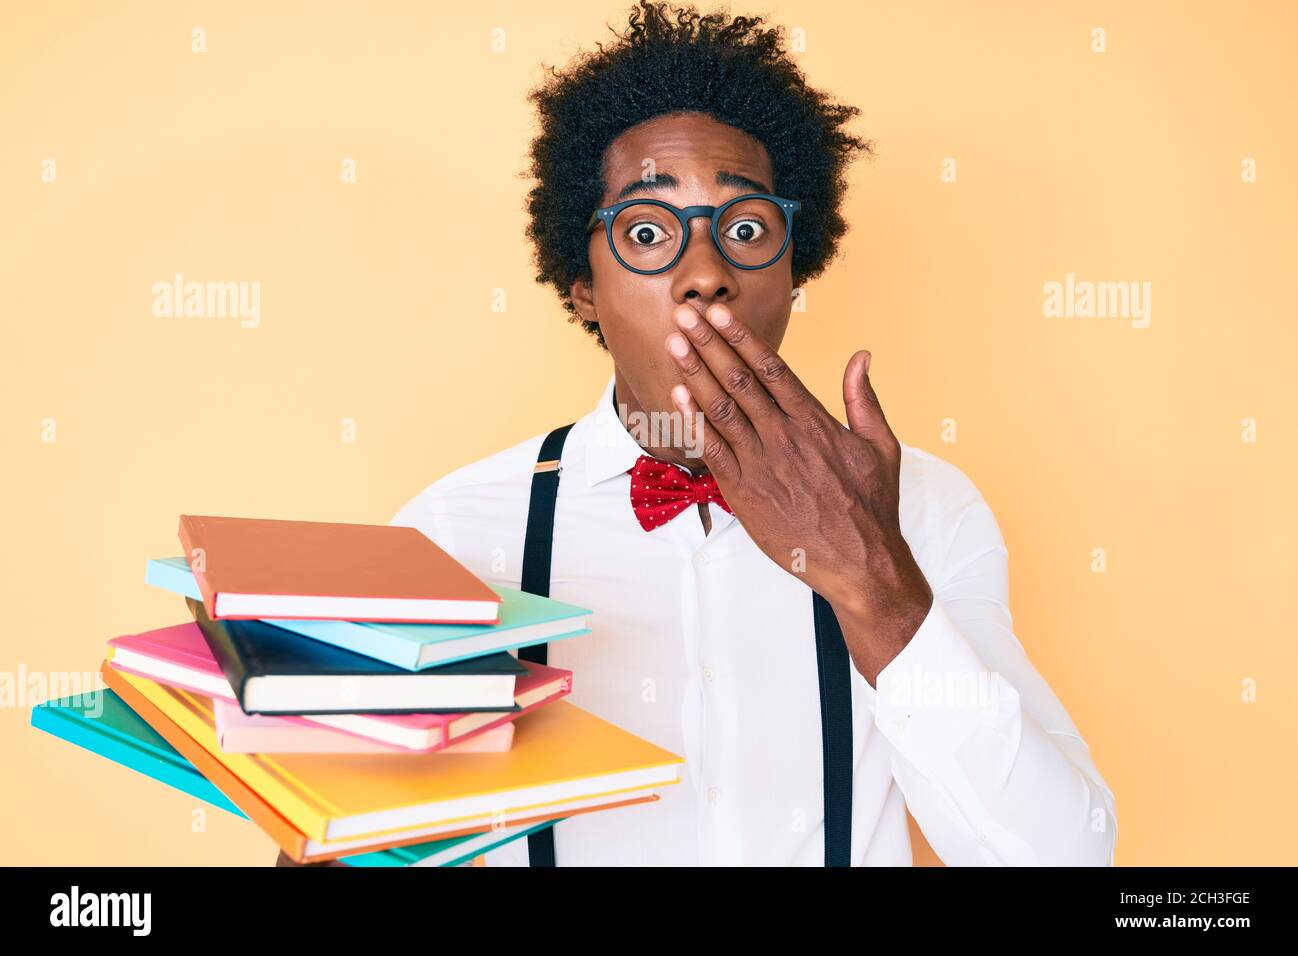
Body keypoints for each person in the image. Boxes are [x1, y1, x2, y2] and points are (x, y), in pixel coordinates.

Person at [386, 0, 1118, 866]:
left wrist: (872, 581)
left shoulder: (925, 508)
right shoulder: (453, 533)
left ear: (793, 274)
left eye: (744, 230)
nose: (705, 275)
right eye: (650, 231)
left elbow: (1062, 857)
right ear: (582, 287)